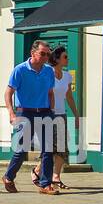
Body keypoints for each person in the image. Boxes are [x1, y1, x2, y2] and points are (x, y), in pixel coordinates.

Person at [3, 39, 59, 194]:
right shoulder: (20, 70)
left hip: (45, 112)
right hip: (25, 112)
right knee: (22, 148)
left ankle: (45, 184)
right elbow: (8, 93)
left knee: (48, 149)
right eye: (42, 53)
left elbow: (50, 93)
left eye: (48, 54)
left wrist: (52, 111)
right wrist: (11, 113)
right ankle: (8, 176)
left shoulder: (49, 71)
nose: (46, 57)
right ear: (32, 53)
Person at [34, 46, 79, 191]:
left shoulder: (67, 76)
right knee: (50, 147)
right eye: (65, 57)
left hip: (61, 114)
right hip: (48, 113)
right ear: (57, 58)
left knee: (62, 147)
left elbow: (69, 97)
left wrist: (76, 114)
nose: (67, 59)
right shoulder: (47, 73)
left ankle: (56, 177)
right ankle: (38, 170)